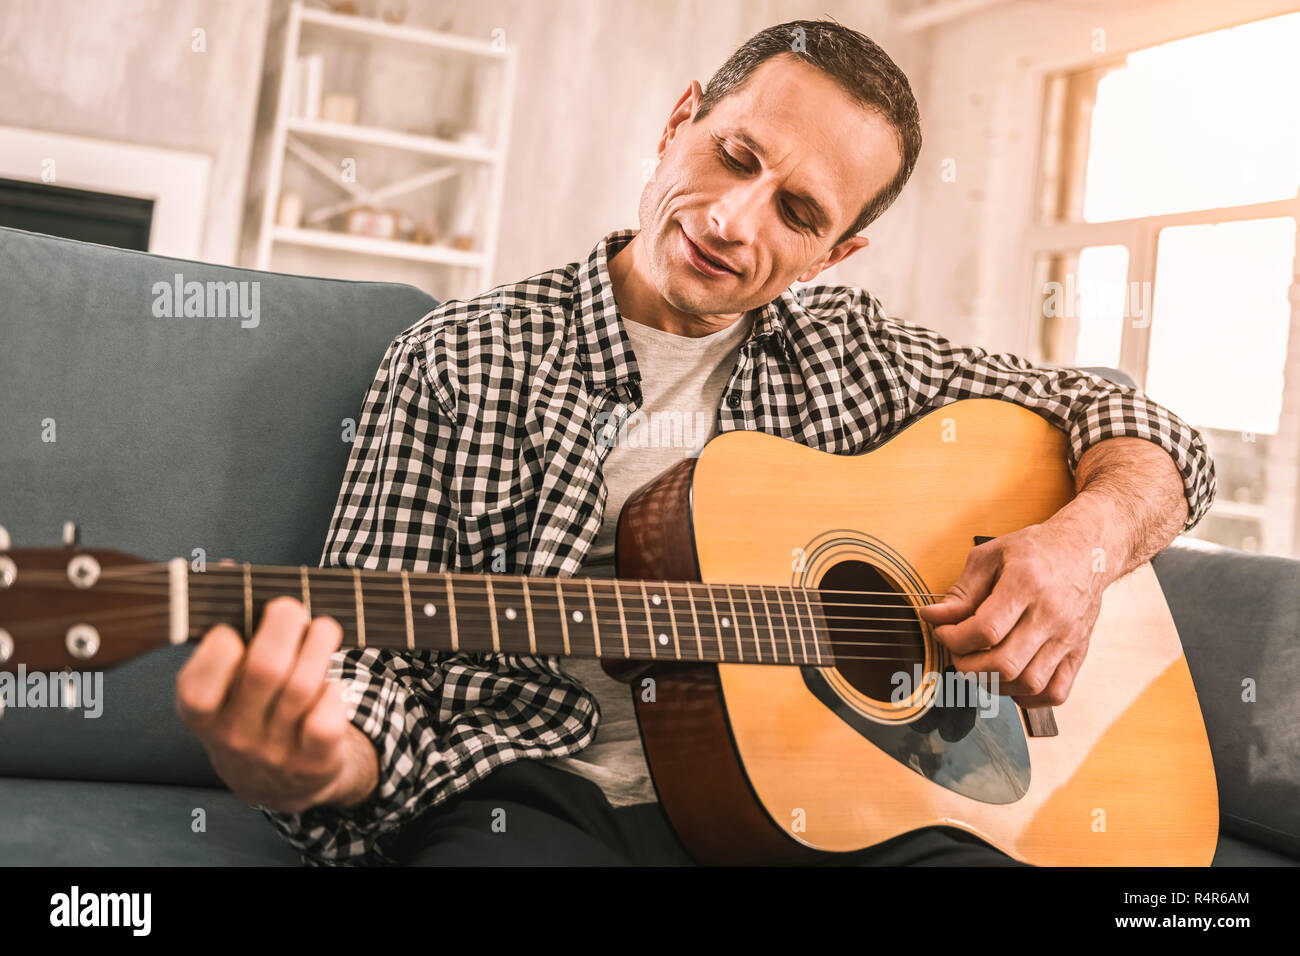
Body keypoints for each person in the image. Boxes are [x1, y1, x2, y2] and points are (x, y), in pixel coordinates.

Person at [175, 18, 1216, 866]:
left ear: (833, 251)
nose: (731, 219)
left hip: (847, 796)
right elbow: (372, 666)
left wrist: (1079, 548)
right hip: (548, 796)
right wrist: (323, 760)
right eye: (735, 155)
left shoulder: (858, 354)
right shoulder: (458, 358)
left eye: (797, 210)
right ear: (682, 118)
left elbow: (1156, 433)